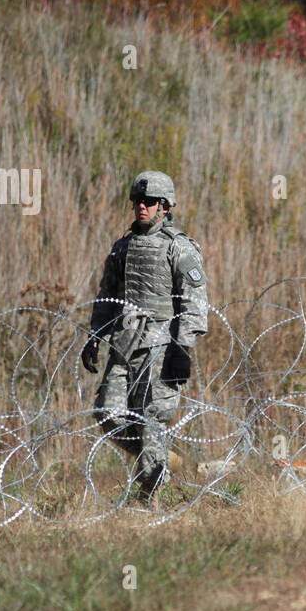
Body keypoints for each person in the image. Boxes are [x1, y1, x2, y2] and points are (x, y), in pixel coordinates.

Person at [81, 170, 209, 505]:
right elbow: (108, 294)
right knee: (107, 413)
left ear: (165, 206)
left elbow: (194, 300)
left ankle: (147, 499)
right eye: (138, 201)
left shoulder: (179, 248)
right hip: (125, 343)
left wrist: (183, 347)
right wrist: (95, 335)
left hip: (163, 346)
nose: (142, 207)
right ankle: (166, 460)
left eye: (150, 202)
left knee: (153, 420)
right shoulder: (122, 247)